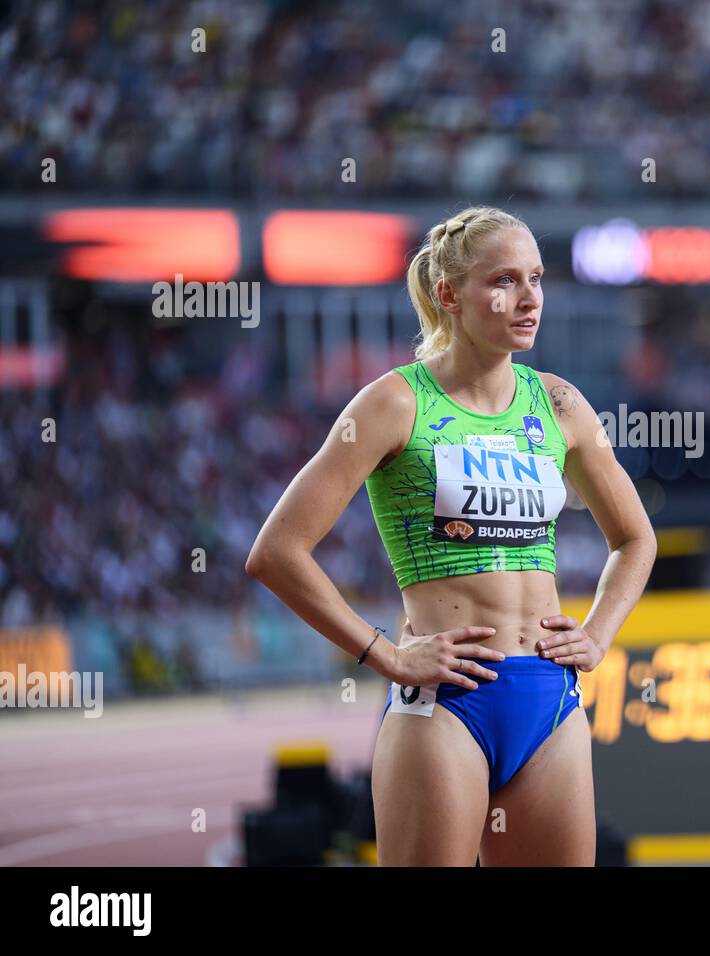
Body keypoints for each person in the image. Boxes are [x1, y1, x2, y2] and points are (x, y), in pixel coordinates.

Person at [245, 206, 656, 865]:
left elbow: (636, 539)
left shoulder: (560, 406)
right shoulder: (394, 404)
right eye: (504, 281)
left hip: (549, 702)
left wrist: (600, 635)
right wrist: (384, 654)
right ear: (449, 295)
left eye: (536, 278)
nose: (529, 299)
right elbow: (276, 553)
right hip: (445, 706)